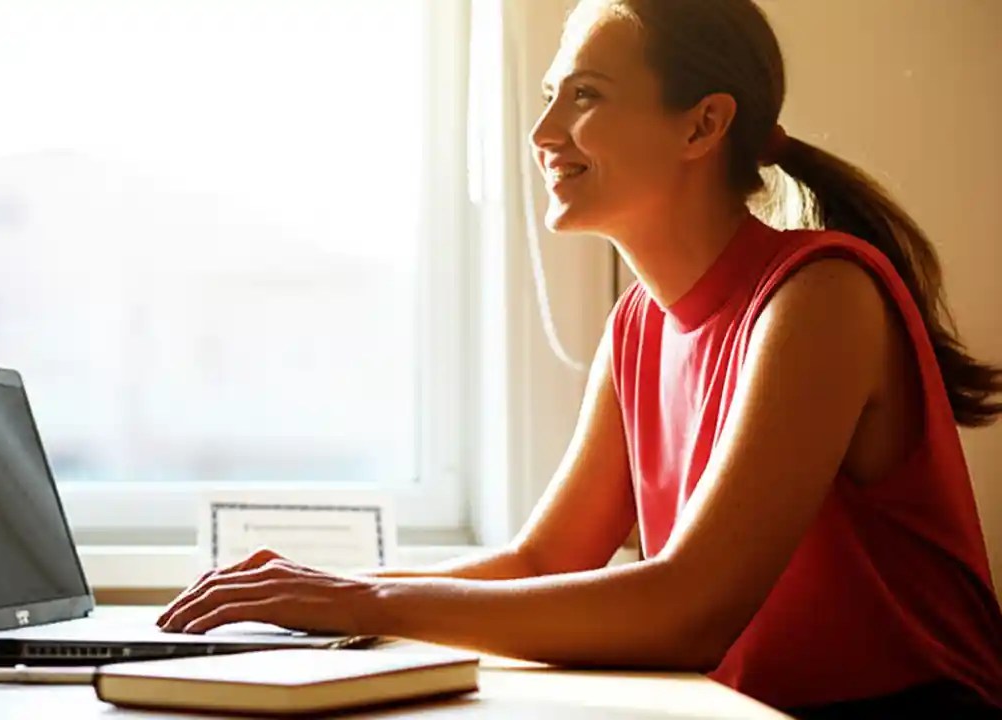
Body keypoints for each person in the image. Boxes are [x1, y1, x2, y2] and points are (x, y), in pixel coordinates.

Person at [157, 0, 1002, 714]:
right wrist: (318, 596)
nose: (543, 131)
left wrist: (359, 601)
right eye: (550, 95)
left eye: (586, 96)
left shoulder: (820, 297)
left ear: (704, 124)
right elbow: (540, 563)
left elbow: (688, 609)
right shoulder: (637, 324)